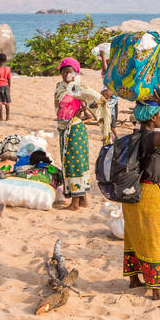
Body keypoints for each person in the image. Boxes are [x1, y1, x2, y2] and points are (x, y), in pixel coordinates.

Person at [121, 91, 160, 298]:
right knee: (154, 237)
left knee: (134, 235)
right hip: (147, 192)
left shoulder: (135, 136)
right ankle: (156, 291)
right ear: (152, 117)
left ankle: (134, 279)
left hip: (132, 193)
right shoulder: (150, 137)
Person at [53, 57, 102, 210]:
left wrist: (83, 111)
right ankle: (83, 200)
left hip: (74, 129)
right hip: (63, 129)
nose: (67, 74)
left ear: (76, 73)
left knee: (76, 163)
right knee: (69, 162)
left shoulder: (79, 87)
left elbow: (93, 103)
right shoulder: (60, 87)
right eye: (64, 71)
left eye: (70, 72)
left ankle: (75, 203)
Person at [0, 53, 12, 122]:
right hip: (6, 85)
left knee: (0, 102)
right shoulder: (8, 69)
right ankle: (7, 117)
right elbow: (9, 78)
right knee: (7, 102)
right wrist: (9, 86)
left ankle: (1, 118)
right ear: (6, 60)